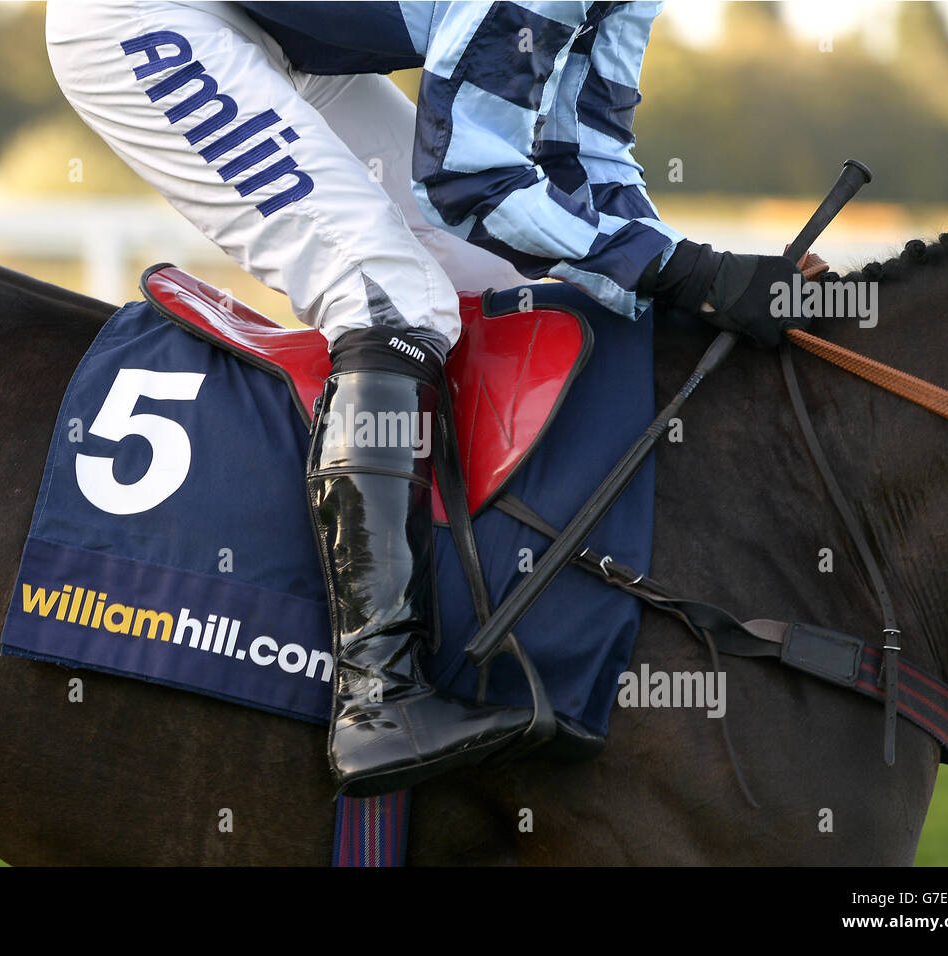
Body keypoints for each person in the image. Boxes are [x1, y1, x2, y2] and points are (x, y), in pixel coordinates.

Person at [45, 0, 808, 798]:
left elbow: (590, 161)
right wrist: (689, 274)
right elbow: (474, 182)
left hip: (286, 40)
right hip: (148, 16)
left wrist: (697, 283)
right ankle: (376, 697)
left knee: (504, 291)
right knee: (392, 301)